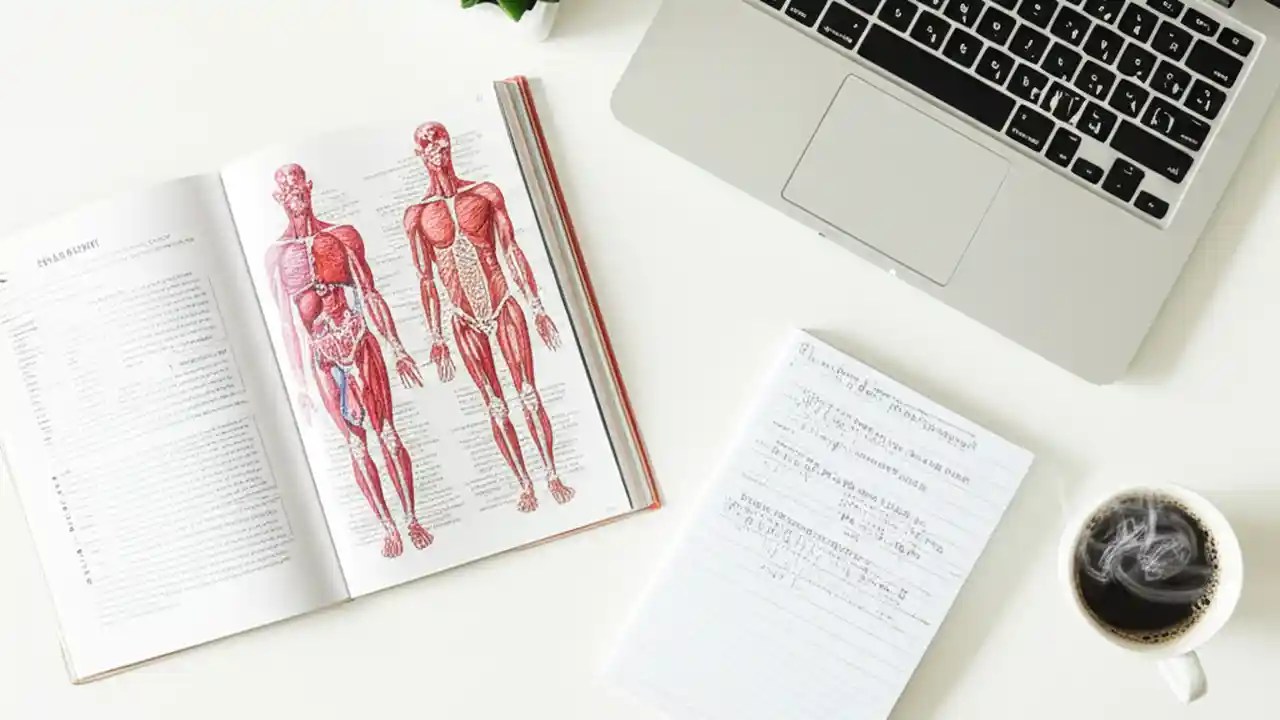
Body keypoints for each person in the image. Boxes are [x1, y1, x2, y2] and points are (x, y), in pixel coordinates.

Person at [403, 122, 573, 513]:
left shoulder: (484, 193)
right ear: (419, 154)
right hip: (462, 317)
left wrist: (537, 307)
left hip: (502, 302)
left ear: (451, 142)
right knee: (495, 404)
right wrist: (436, 338)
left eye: (440, 138)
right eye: (426, 143)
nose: (436, 147)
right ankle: (525, 484)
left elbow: (511, 249)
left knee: (528, 394)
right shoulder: (417, 215)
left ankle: (551, 473)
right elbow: (426, 279)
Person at [264, 163, 430, 558]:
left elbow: (370, 293)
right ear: (277, 198)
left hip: (360, 342)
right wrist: (299, 383)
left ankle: (412, 519)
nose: (294, 194)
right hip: (324, 356)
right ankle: (388, 527)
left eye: (298, 185)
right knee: (356, 446)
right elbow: (287, 324)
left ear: (309, 186)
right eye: (286, 190)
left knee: (388, 433)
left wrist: (397, 346)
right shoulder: (277, 256)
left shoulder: (342, 236)